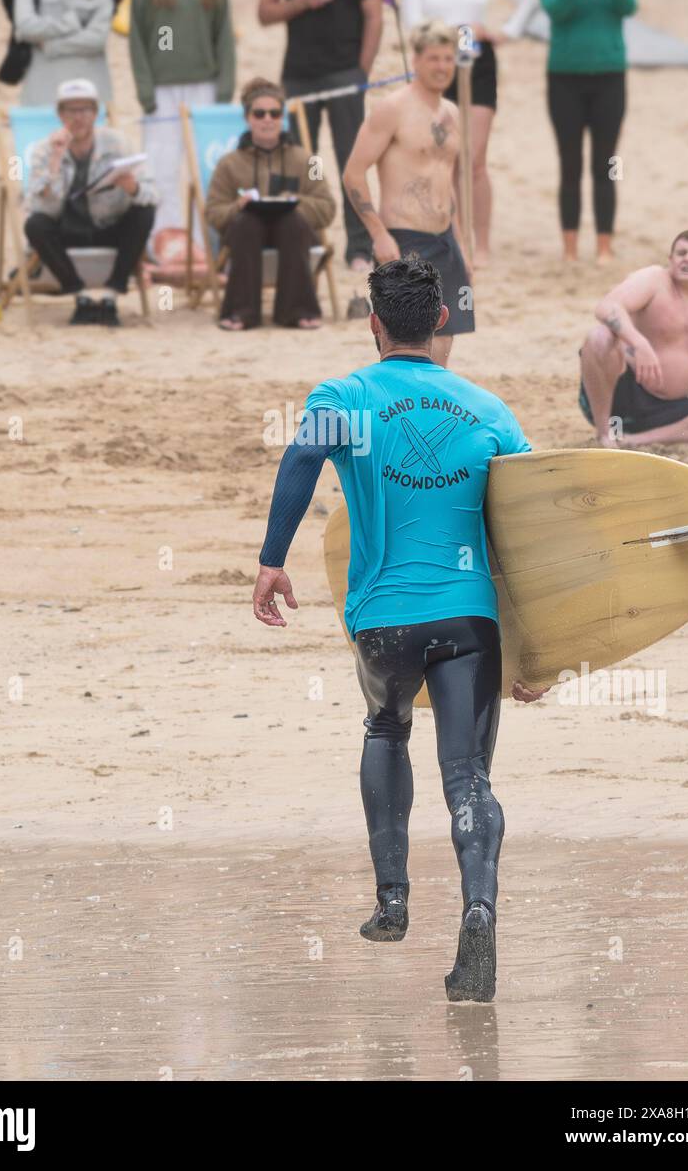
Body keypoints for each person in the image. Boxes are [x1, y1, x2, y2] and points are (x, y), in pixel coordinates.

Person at [251, 254, 546, 1003]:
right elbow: (534, 529)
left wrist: (271, 561)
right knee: (469, 778)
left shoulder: (343, 395)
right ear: (442, 320)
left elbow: (300, 459)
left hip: (382, 620)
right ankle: (478, 906)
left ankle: (392, 901)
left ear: (373, 322)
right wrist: (545, 645)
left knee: (386, 729)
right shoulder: (490, 411)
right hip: (468, 617)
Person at [258, 0, 385, 272]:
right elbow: (265, 12)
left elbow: (374, 16)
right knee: (297, 162)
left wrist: (360, 72)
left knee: (352, 161)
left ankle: (359, 248)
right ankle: (301, 243)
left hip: (345, 72)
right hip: (299, 74)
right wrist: (302, 2)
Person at [401, 0, 537, 263]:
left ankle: (482, 243)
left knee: (474, 158)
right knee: (443, 155)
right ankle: (452, 239)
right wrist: (443, 34)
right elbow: (411, 20)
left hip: (478, 60)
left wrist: (504, 31)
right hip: (436, 63)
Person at [342, 19, 474, 367]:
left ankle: (432, 418)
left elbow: (448, 182)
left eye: (448, 58)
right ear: (416, 60)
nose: (442, 66)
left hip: (445, 239)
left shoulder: (452, 113)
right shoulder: (392, 108)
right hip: (404, 238)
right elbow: (353, 173)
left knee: (443, 348)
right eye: (434, 58)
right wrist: (378, 234)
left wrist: (460, 244)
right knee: (405, 349)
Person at [129, 0, 235, 257]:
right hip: (161, 90)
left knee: (199, 167)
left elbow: (224, 40)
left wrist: (223, 91)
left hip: (203, 87)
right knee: (160, 165)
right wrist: (145, 90)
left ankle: (203, 241)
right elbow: (138, 42)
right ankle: (162, 239)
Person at [579, 230, 688, 447]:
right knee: (599, 336)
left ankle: (631, 440)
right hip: (618, 404)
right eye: (681, 253)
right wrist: (639, 343)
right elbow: (606, 307)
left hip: (668, 411)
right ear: (670, 260)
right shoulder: (654, 279)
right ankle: (606, 435)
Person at [538, 0, 636, 264]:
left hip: (609, 78)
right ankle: (570, 247)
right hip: (565, 79)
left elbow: (628, 7)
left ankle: (604, 245)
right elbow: (558, 11)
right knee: (570, 163)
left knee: (606, 162)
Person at [24, 77, 157, 326]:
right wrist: (55, 161)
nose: (78, 117)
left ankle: (112, 293)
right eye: (71, 110)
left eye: (85, 109)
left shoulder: (119, 143)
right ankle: (79, 294)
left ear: (96, 113)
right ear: (60, 114)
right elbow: (42, 209)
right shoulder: (45, 150)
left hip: (108, 226)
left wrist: (132, 187)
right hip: (67, 229)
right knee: (35, 225)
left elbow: (153, 195)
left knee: (144, 212)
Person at [205, 78, 335, 331]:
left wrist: (295, 202)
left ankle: (297, 311)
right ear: (247, 118)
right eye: (259, 113)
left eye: (274, 113)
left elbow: (327, 207)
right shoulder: (229, 164)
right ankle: (242, 312)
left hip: (293, 233)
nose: (267, 119)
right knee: (247, 222)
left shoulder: (307, 160)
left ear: (282, 117)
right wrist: (239, 206)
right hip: (246, 235)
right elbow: (214, 212)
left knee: (292, 221)